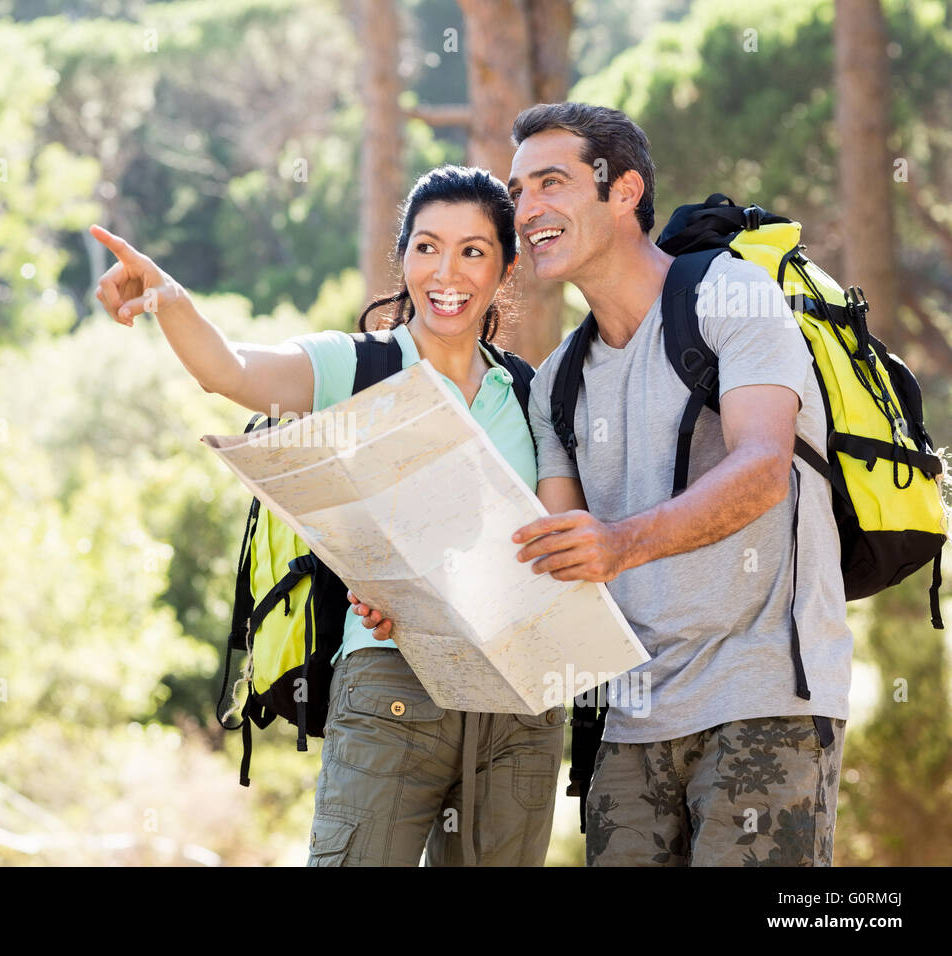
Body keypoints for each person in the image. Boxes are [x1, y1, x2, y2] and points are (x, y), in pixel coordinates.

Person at [356, 104, 851, 866]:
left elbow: (763, 471)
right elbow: (546, 565)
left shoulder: (731, 295)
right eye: (518, 192)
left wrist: (619, 543)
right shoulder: (557, 382)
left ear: (623, 190)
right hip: (627, 726)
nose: (527, 211)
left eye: (550, 183)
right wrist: (413, 598)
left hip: (763, 700)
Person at [92, 165, 567, 866]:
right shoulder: (358, 367)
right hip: (390, 684)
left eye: (473, 251)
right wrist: (168, 299)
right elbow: (231, 369)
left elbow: (556, 548)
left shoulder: (532, 392)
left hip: (518, 704)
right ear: (402, 258)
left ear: (505, 271)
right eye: (428, 247)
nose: (448, 271)